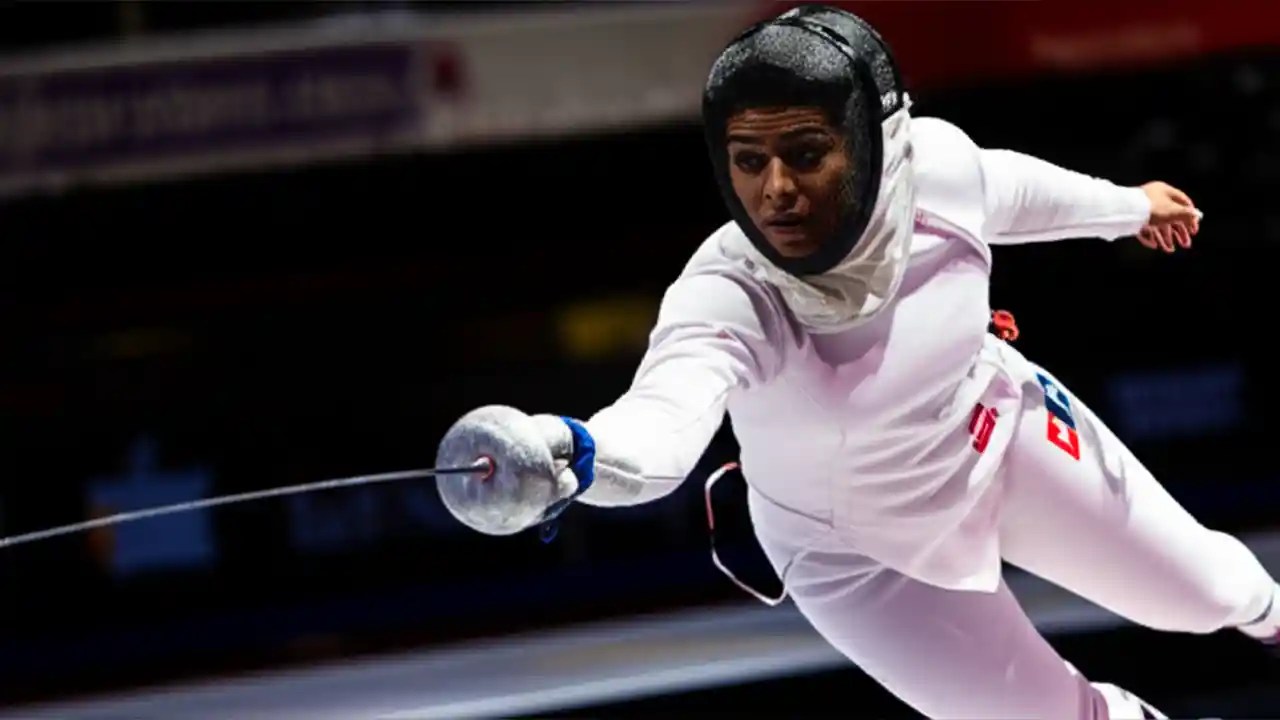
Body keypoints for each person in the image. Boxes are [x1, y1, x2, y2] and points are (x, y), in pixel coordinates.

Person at [450, 5, 1278, 718]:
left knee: (1212, 591)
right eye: (748, 161)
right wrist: (575, 454)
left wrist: (1129, 208)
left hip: (1001, 435)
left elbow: (1011, 191)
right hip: (855, 557)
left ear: (878, 145)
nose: (775, 191)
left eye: (806, 154)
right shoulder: (728, 294)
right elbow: (663, 422)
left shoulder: (937, 167)